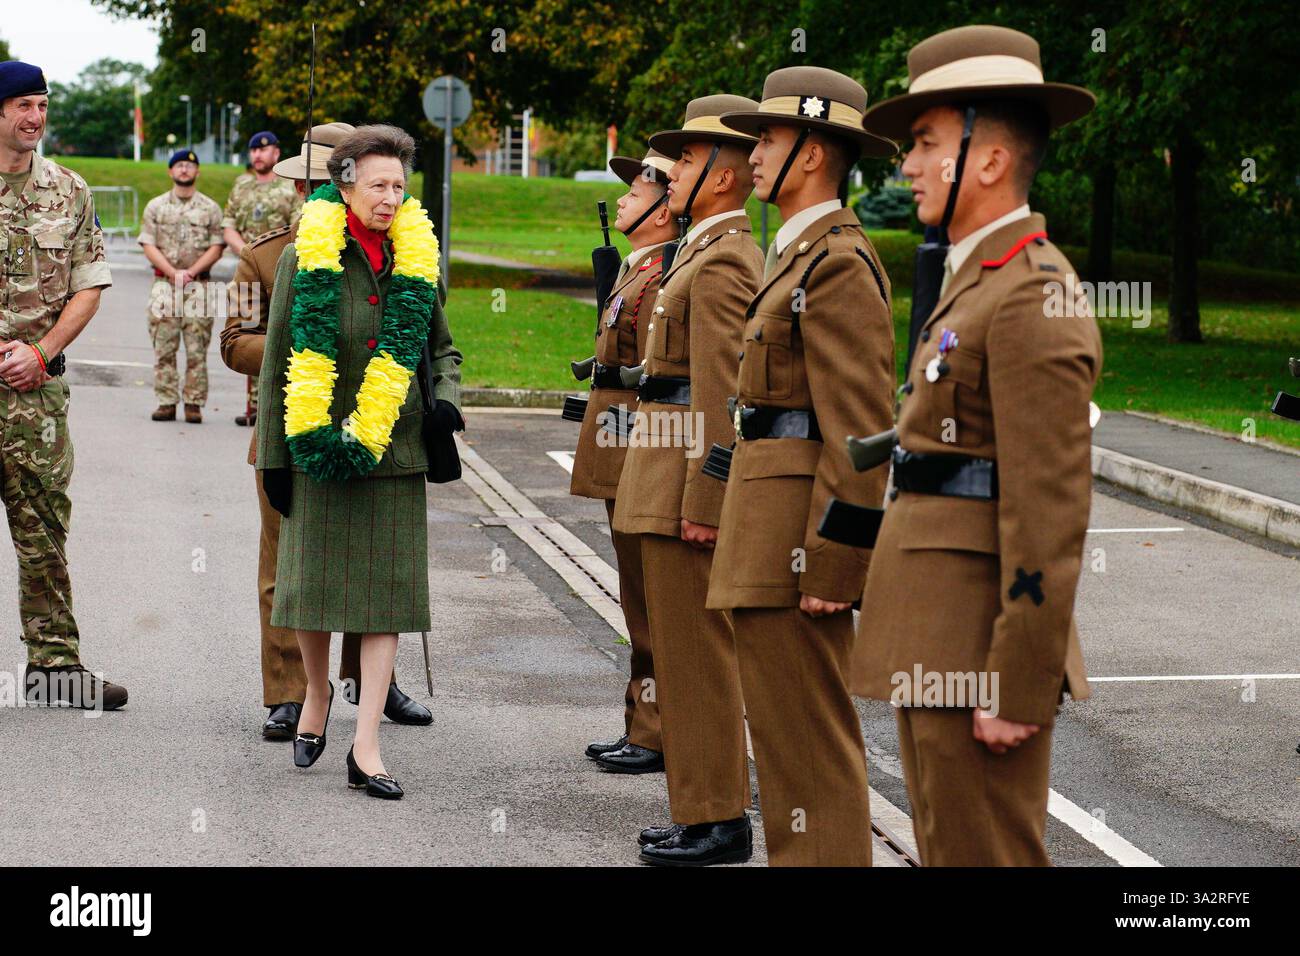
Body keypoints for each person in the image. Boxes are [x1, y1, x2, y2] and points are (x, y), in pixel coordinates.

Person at [852, 24, 1100, 865]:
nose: (909, 165)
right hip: (935, 633)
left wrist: (1018, 679)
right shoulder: (979, 280)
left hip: (977, 652)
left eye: (925, 143)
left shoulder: (1032, 294)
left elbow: (1048, 507)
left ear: (988, 160)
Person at [705, 67, 897, 865]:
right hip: (764, 533)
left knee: (810, 748)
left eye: (770, 139)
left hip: (796, 549)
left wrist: (835, 563)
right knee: (785, 750)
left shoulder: (837, 264)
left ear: (813, 153)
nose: (753, 155)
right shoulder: (796, 255)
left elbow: (861, 431)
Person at [255, 125, 464, 799]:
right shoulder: (305, 256)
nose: (390, 197)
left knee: (385, 603)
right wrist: (274, 457)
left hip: (394, 454)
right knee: (312, 593)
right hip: (317, 450)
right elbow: (278, 361)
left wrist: (447, 399)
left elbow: (443, 350)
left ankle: (366, 744)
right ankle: (316, 694)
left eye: (399, 186)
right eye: (377, 185)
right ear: (344, 187)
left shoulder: (417, 258)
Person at [220, 122, 434, 741]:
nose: (315, 190)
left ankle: (370, 682)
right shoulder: (270, 255)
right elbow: (234, 343)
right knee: (286, 568)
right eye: (309, 181)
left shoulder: (399, 248)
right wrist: (302, 348)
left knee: (370, 564)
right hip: (293, 428)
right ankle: (289, 692)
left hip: (377, 429)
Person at [612, 95, 764, 865]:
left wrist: (707, 495)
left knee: (699, 657)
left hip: (683, 486)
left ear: (724, 175)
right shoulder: (701, 251)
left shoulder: (728, 258)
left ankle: (719, 818)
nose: (671, 173)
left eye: (689, 160)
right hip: (659, 475)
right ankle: (700, 809)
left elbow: (721, 394)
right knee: (680, 655)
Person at [0, 60, 126, 709]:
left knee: (44, 531)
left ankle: (54, 668)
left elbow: (89, 286)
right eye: (23, 104)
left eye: (43, 104)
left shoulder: (69, 190)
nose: (36, 117)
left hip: (36, 398)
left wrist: (41, 352)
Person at [575, 147, 677, 774]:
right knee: (635, 593)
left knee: (649, 599)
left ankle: (656, 729)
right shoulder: (638, 267)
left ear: (664, 209)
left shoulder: (662, 274)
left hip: (637, 438)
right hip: (618, 436)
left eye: (637, 190)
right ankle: (641, 721)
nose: (624, 197)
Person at [222, 130, 302, 427]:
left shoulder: (289, 187)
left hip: (283, 268)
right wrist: (250, 254)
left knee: (277, 331)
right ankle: (255, 405)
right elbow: (228, 225)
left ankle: (268, 404)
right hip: (251, 268)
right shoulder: (241, 186)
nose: (258, 154)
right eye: (254, 149)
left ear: (276, 153)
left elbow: (296, 228)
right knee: (248, 334)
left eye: (264, 149)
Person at [138, 149, 224, 424]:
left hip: (198, 286)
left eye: (189, 165)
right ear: (170, 171)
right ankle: (166, 401)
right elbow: (148, 243)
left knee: (197, 348)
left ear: (197, 171)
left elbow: (217, 246)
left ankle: (193, 403)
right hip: (165, 285)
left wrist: (191, 272)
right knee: (163, 346)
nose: (184, 169)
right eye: (179, 165)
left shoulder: (210, 208)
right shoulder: (156, 206)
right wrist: (173, 272)